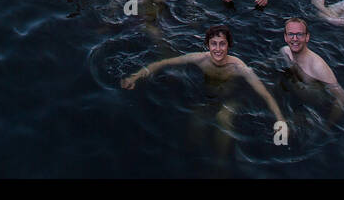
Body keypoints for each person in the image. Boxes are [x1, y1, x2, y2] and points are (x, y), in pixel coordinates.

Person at [120, 25, 287, 129]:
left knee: (223, 119)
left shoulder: (239, 68)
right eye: (214, 44)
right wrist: (134, 78)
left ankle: (220, 166)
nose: (218, 49)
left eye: (222, 44)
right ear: (207, 45)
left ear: (229, 45)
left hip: (233, 97)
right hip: (209, 96)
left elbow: (264, 94)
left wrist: (280, 120)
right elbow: (162, 63)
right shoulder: (199, 59)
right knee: (195, 122)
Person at [279, 16, 344, 112]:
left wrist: (327, 126)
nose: (295, 39)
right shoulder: (285, 52)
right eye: (290, 34)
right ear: (285, 37)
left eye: (299, 34)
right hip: (292, 96)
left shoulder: (318, 67)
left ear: (307, 37)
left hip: (314, 108)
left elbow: (342, 97)